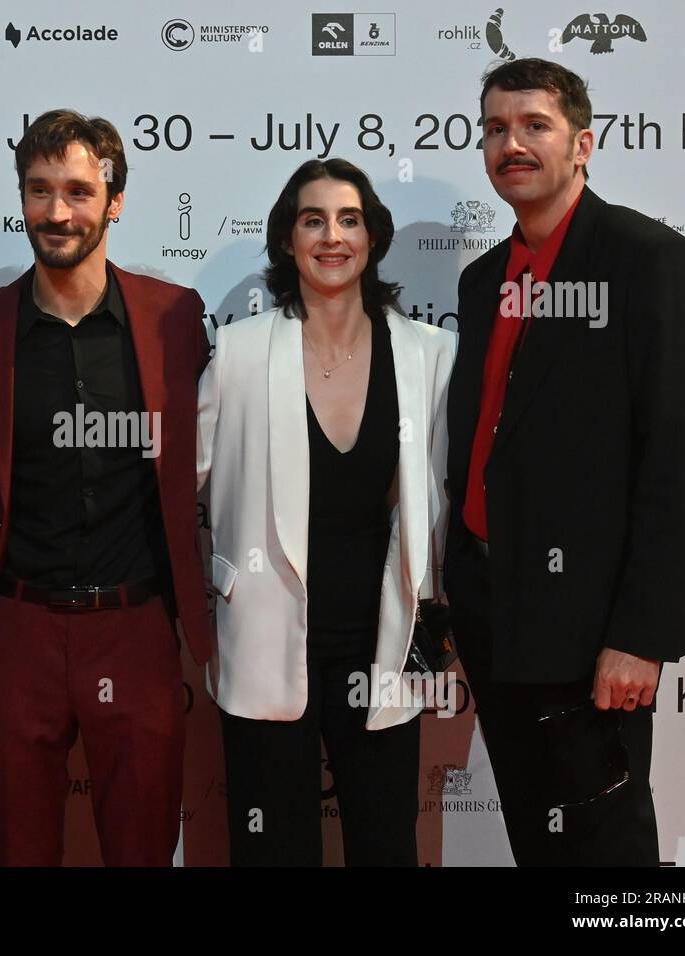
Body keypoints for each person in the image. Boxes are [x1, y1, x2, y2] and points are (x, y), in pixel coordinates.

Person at [0, 109, 212, 866]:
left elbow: (227, 455)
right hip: (15, 630)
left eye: (78, 189)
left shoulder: (173, 320)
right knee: (18, 850)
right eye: (39, 191)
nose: (58, 211)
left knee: (141, 850)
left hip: (135, 627)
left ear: (116, 200)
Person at [444, 58, 685, 865]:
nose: (512, 144)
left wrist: (641, 633)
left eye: (535, 125)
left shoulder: (648, 259)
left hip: (595, 624)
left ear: (584, 144)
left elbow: (677, 458)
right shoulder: (480, 281)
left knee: (607, 845)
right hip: (494, 608)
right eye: (495, 129)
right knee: (536, 835)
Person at [196, 159, 456, 866]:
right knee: (273, 849)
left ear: (373, 237)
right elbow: (181, 482)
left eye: (349, 220)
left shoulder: (431, 355)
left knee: (384, 844)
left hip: (383, 644)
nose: (332, 236)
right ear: (287, 239)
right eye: (313, 220)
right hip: (263, 636)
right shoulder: (242, 352)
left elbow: (444, 503)